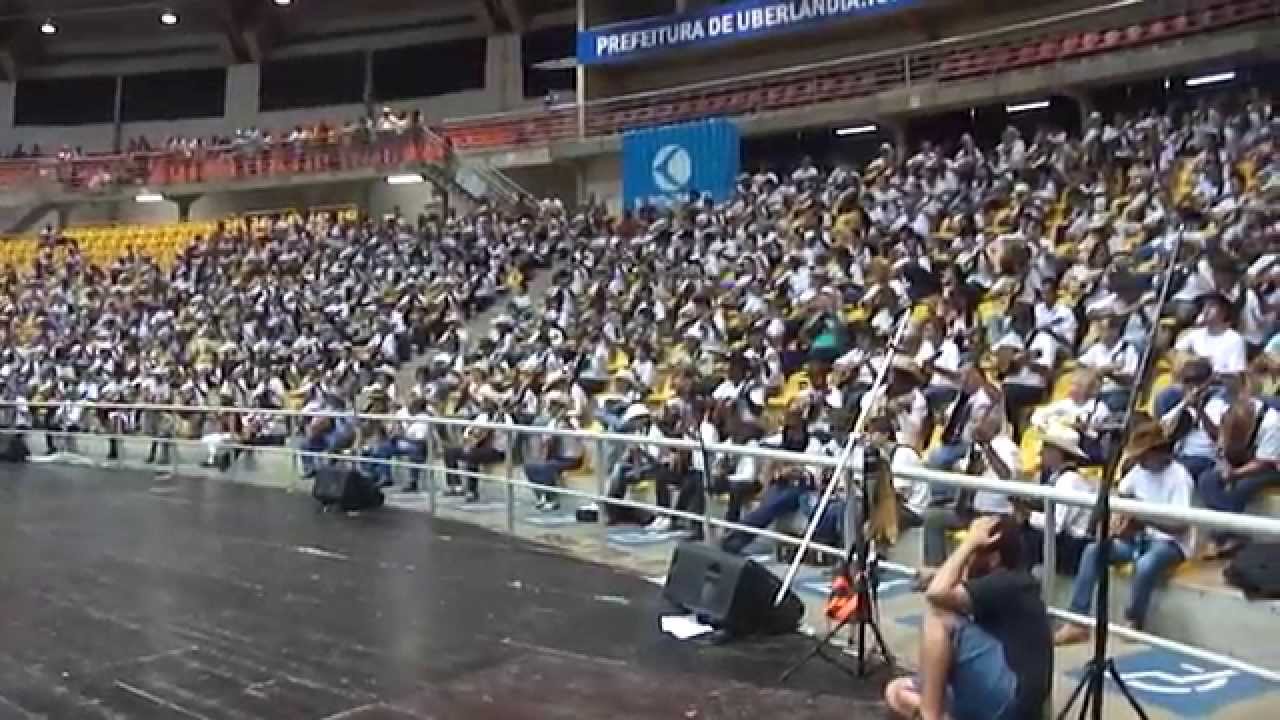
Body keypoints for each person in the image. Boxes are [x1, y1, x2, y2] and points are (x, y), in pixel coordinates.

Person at [885, 516, 1053, 720]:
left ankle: (931, 716)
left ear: (994, 558)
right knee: (896, 692)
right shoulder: (1003, 582)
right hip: (997, 692)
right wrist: (940, 572)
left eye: (974, 552)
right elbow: (952, 582)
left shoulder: (1011, 583)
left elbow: (936, 595)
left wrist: (968, 544)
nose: (968, 558)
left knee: (938, 617)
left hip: (1012, 696)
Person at [1055, 422, 1194, 643]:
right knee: (1094, 550)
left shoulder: (1179, 477)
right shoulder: (1138, 472)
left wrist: (1144, 518)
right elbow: (1119, 495)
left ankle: (1134, 620)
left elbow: (1181, 525)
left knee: (1146, 564)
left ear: (1157, 452)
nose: (1138, 460)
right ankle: (1077, 621)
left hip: (1169, 543)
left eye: (1143, 455)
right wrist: (1120, 521)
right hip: (1137, 538)